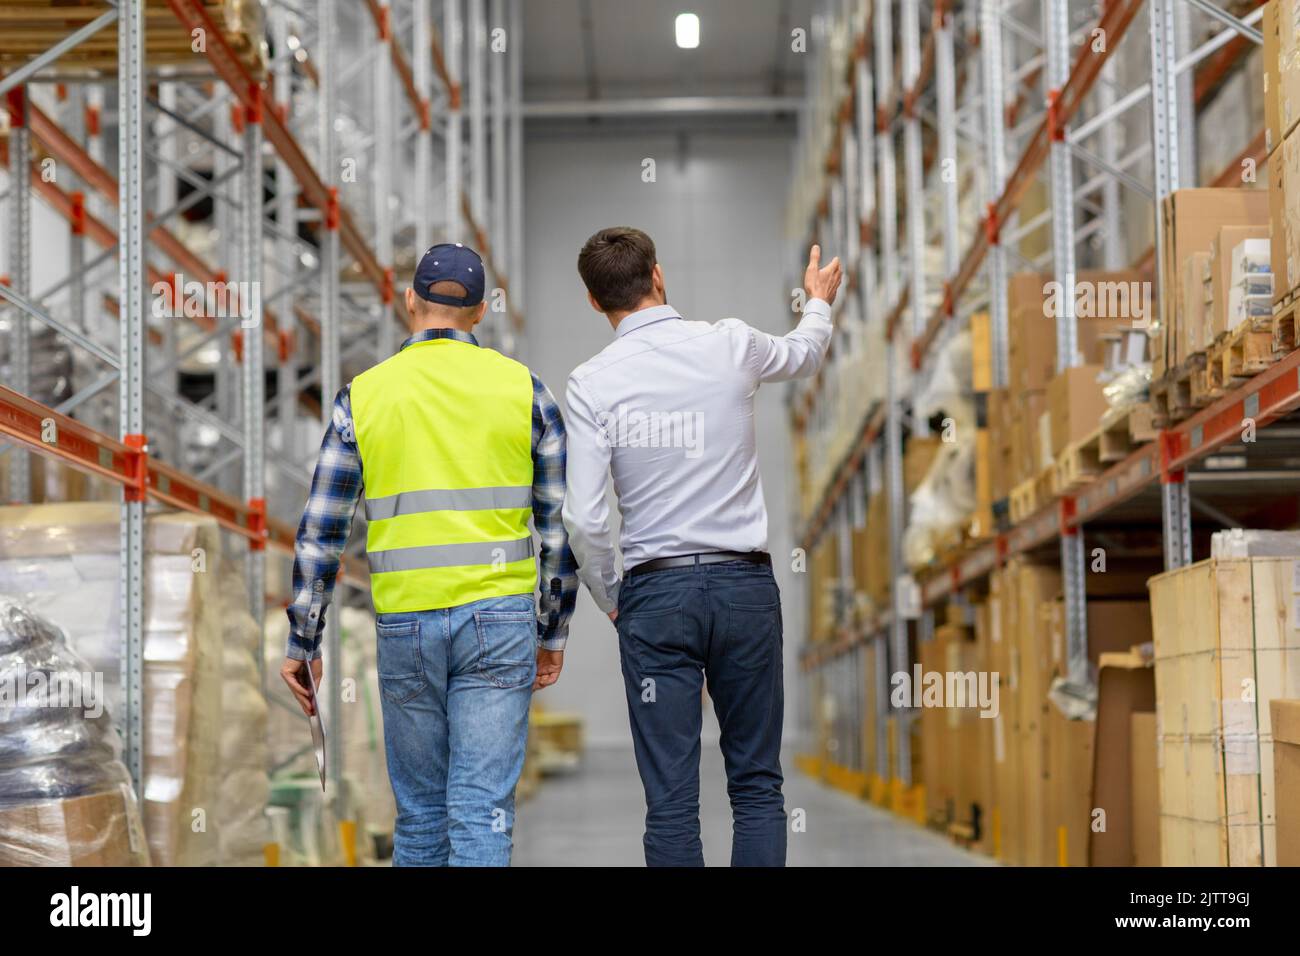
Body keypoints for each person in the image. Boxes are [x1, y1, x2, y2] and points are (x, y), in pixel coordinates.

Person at [280, 242, 577, 867]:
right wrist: (553, 631)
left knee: (419, 815)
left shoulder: (363, 396)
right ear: (479, 312)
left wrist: (304, 642)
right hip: (499, 623)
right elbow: (555, 528)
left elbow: (322, 529)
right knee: (481, 810)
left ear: (409, 300)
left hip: (407, 624)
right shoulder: (525, 391)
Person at [562, 226, 841, 866]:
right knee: (756, 784)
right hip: (744, 590)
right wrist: (817, 300)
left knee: (670, 801)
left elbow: (583, 516)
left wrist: (613, 597)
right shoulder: (730, 343)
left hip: (655, 596)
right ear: (657, 276)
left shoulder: (590, 382)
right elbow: (805, 352)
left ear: (592, 301)